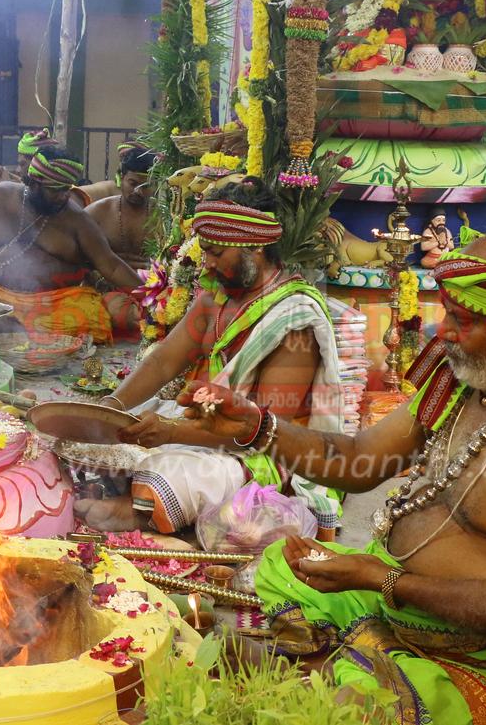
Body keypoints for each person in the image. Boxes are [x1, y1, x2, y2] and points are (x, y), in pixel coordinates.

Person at [186, 230, 486, 724]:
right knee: (281, 566)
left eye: (462, 320)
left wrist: (386, 579)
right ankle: (337, 671)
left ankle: (333, 676)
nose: (443, 332)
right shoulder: (469, 382)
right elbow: (356, 460)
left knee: (365, 711)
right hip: (410, 610)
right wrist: (257, 425)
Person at [73, 181, 346, 536]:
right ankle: (130, 496)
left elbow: (263, 433)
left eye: (216, 252)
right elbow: (162, 362)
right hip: (200, 426)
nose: (207, 264)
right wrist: (109, 408)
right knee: (105, 441)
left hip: (257, 454)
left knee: (174, 476)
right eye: (205, 252)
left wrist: (170, 433)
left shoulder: (293, 321)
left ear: (257, 246)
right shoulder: (214, 300)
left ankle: (134, 509)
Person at [0, 151, 142, 343]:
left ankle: (5, 329)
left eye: (67, 188)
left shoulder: (76, 219)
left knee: (89, 316)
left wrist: (154, 296)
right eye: (55, 189)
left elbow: (111, 265)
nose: (64, 196)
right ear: (34, 182)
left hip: (47, 307)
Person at [86, 143, 159, 339]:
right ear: (121, 178)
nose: (138, 191)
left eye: (146, 186)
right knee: (121, 311)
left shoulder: (163, 217)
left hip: (152, 293)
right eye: (133, 183)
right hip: (107, 292)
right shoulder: (97, 212)